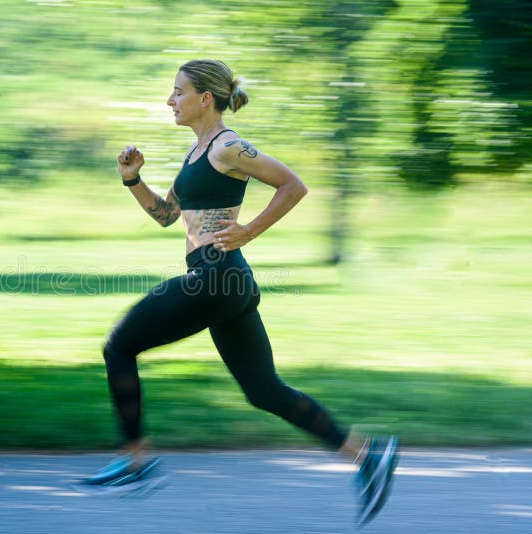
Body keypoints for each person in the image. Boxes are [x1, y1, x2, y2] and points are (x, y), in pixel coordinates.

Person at [81, 59, 398, 525]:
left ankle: (135, 458)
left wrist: (249, 231)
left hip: (214, 277)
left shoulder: (227, 146)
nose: (169, 100)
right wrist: (132, 180)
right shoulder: (196, 153)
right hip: (225, 283)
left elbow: (292, 185)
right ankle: (365, 454)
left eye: (177, 92)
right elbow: (167, 216)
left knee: (119, 345)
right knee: (264, 390)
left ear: (204, 99)